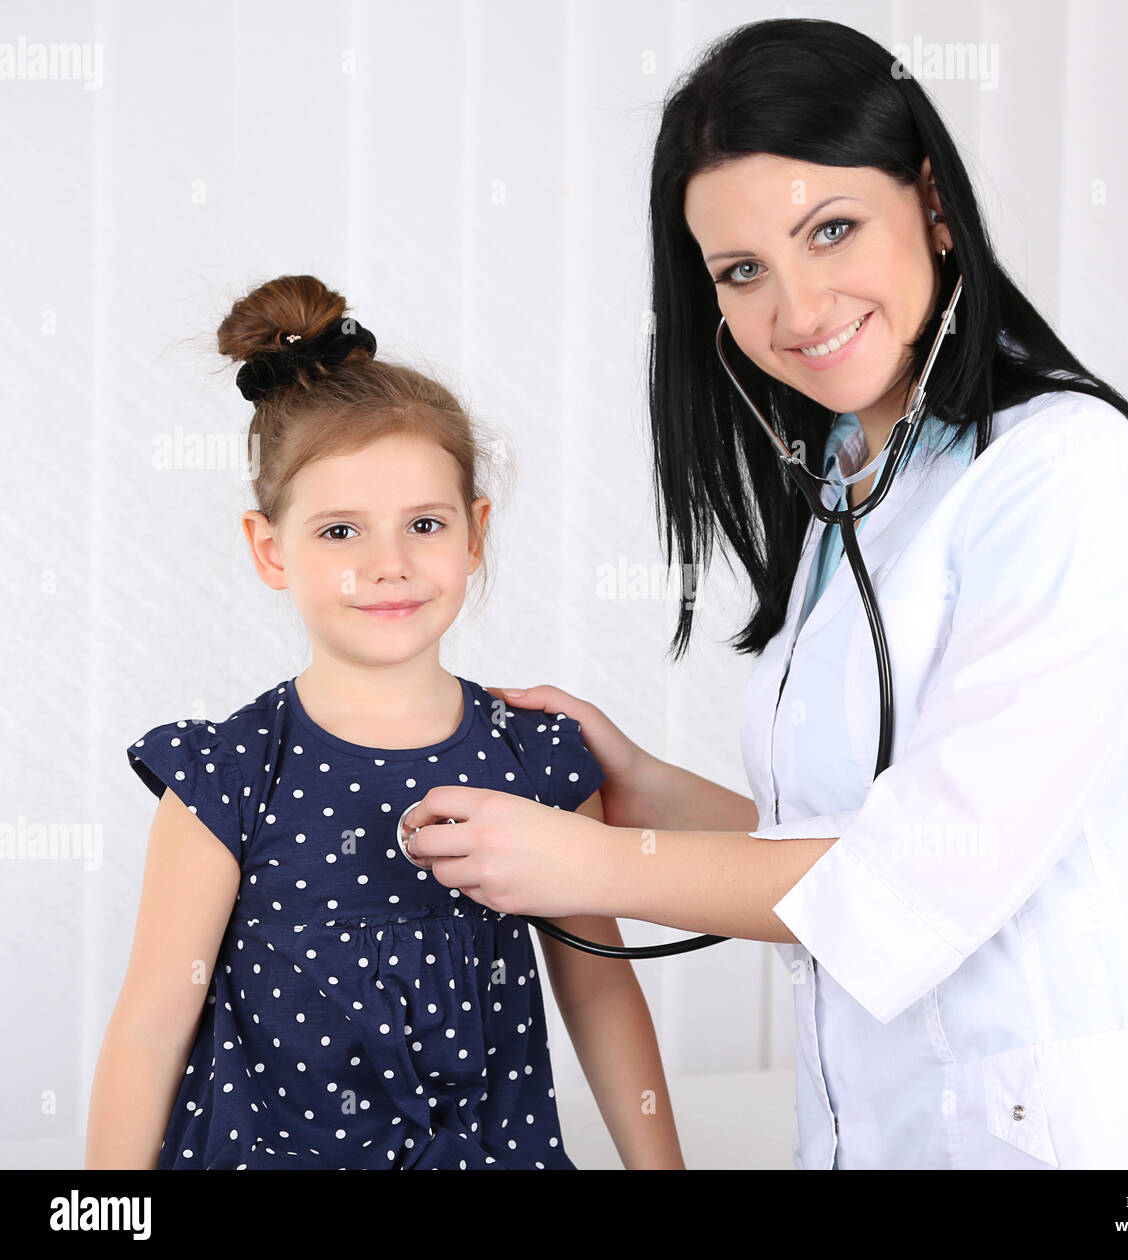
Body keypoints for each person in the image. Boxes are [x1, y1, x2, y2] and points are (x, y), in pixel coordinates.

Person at [399, 19, 1128, 1170]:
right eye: (743, 271)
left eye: (832, 230)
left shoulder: (1067, 472)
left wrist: (581, 867)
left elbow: (927, 878)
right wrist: (643, 790)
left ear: (933, 206)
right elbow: (845, 843)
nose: (798, 309)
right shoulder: (852, 490)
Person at [84, 274, 684, 1170]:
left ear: (475, 534)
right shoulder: (230, 776)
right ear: (269, 548)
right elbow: (149, 1029)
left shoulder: (537, 760)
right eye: (339, 532)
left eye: (426, 524)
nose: (389, 564)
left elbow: (597, 994)